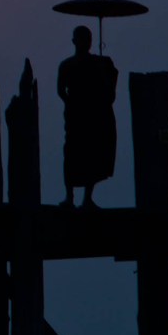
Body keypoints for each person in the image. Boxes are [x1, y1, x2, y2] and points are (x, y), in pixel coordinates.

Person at [57, 25, 117, 209]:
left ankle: (87, 198)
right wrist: (72, 103)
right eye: (81, 39)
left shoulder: (100, 63)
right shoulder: (67, 65)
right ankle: (69, 197)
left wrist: (104, 70)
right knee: (72, 154)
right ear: (74, 41)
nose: (85, 43)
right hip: (76, 116)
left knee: (92, 155)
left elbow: (109, 90)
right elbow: (61, 90)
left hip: (93, 115)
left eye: (87, 39)